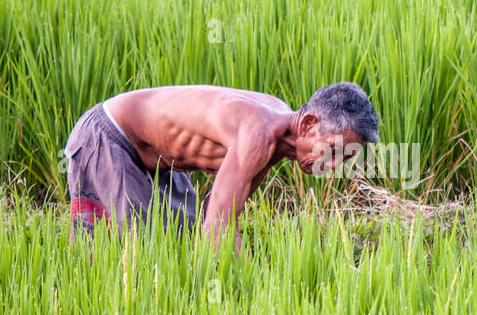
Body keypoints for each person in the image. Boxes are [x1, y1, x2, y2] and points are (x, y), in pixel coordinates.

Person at [64, 82, 378, 248]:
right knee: (127, 254)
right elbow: (218, 230)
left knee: (178, 243)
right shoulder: (257, 133)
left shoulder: (279, 135)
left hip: (159, 161)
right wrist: (256, 295)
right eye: (334, 151)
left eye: (345, 158)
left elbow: (213, 219)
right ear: (308, 123)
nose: (333, 165)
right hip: (109, 136)